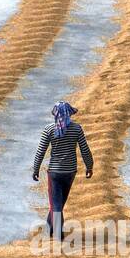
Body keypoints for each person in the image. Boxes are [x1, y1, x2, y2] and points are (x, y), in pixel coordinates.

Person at [32, 101, 93, 240]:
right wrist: (89, 166)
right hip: (70, 172)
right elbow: (85, 150)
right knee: (57, 203)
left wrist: (36, 169)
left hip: (54, 173)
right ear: (69, 113)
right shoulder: (77, 129)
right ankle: (48, 230)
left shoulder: (49, 129)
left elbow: (40, 151)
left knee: (56, 204)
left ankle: (58, 236)